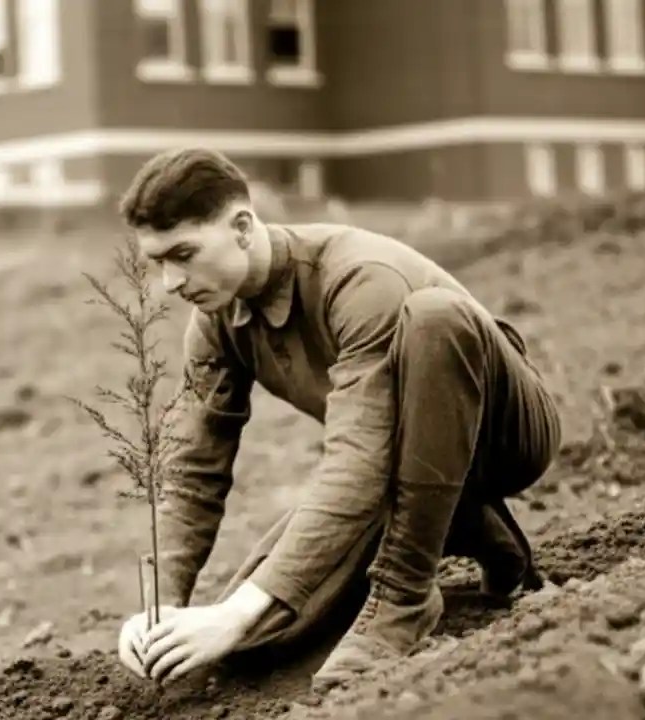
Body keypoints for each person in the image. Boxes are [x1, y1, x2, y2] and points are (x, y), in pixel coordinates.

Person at [112, 148, 561, 693]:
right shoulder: (215, 321)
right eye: (158, 262)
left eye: (184, 254)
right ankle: (478, 527)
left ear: (242, 227)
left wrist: (235, 613)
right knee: (257, 640)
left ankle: (405, 594)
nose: (171, 282)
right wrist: (162, 605)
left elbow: (358, 462)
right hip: (398, 458)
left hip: (503, 437)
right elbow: (193, 472)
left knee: (436, 318)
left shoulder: (357, 278)